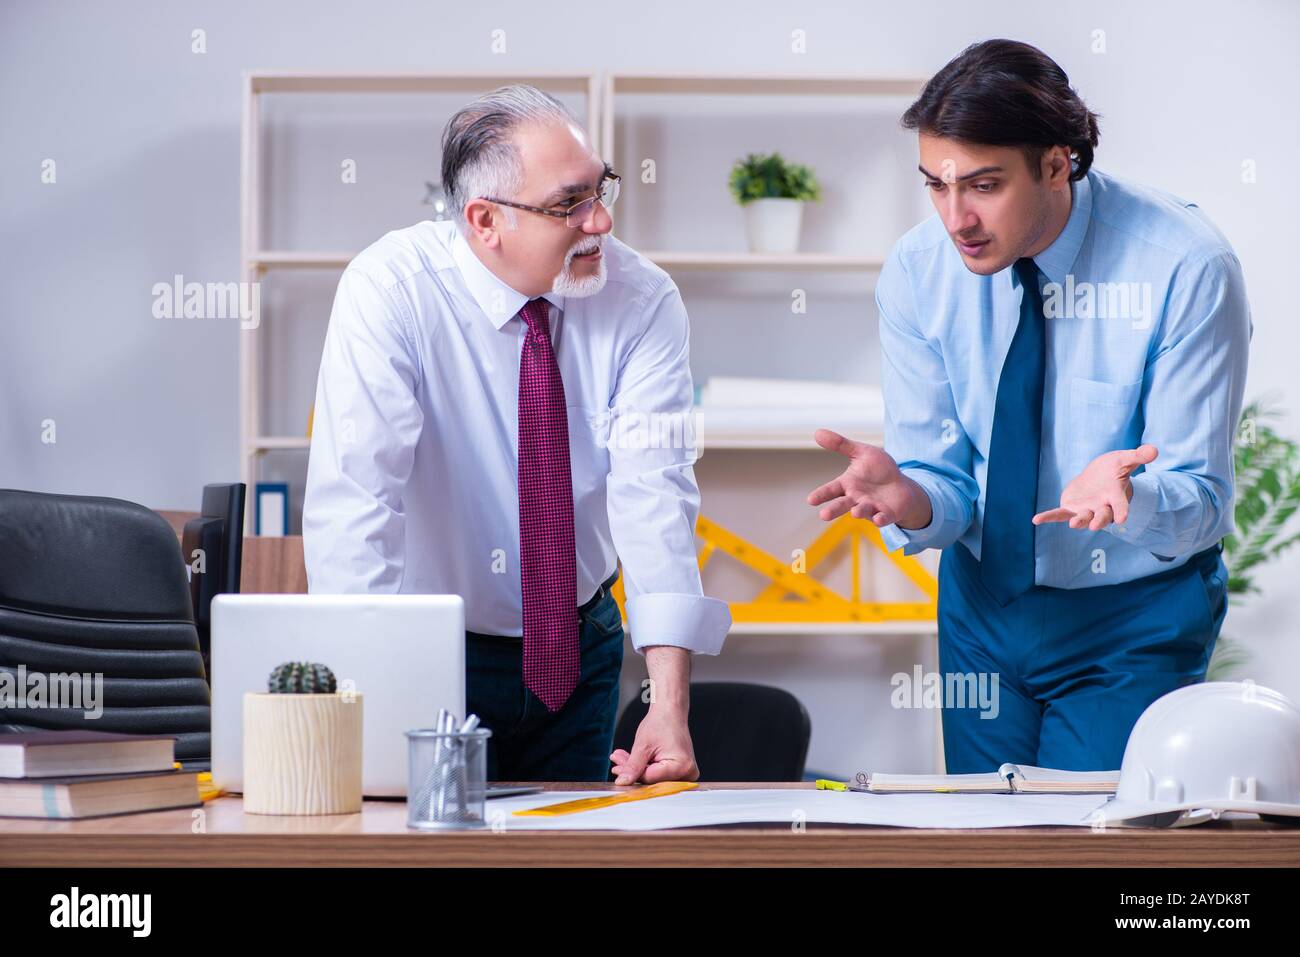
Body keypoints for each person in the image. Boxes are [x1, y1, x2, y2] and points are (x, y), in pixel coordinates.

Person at [807, 39, 1251, 772]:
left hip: (1131, 614)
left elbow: (1201, 503)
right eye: (936, 186)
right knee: (982, 842)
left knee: (1089, 844)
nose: (957, 218)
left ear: (1056, 163)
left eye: (983, 185)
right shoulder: (920, 271)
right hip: (984, 608)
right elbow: (947, 489)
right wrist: (909, 496)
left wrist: (1132, 495)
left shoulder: (1185, 265)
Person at [303, 85, 730, 783]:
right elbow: (357, 508)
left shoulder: (642, 299)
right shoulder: (391, 291)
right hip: (432, 653)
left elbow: (655, 497)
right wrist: (359, 709)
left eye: (601, 189)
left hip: (577, 649)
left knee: (570, 853)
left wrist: (668, 702)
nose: (601, 221)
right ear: (484, 221)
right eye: (569, 204)